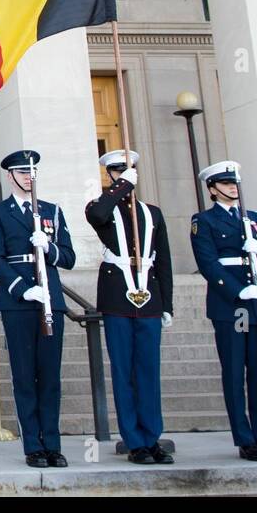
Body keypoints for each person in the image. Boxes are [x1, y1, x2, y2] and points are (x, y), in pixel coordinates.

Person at [0, 149, 76, 468]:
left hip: (50, 299)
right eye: (21, 173)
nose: (27, 177)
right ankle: (33, 446)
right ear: (10, 176)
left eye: (31, 173)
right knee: (24, 376)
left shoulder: (51, 211)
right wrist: (23, 289)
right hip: (18, 302)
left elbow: (69, 257)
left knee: (50, 377)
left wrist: (48, 247)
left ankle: (52, 443)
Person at [85, 149, 174, 464]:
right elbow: (96, 216)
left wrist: (168, 304)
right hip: (117, 297)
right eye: (118, 170)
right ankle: (134, 441)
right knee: (123, 371)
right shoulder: (102, 208)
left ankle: (152, 437)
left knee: (148, 371)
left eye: (129, 169)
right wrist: (120, 187)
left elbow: (163, 259)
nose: (125, 173)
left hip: (148, 296)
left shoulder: (152, 213)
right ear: (109, 174)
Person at [191, 160, 257, 462]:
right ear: (213, 189)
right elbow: (208, 262)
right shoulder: (204, 221)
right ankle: (245, 440)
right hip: (231, 305)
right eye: (226, 183)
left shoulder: (256, 218)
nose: (233, 187)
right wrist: (237, 290)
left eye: (235, 183)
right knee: (234, 373)